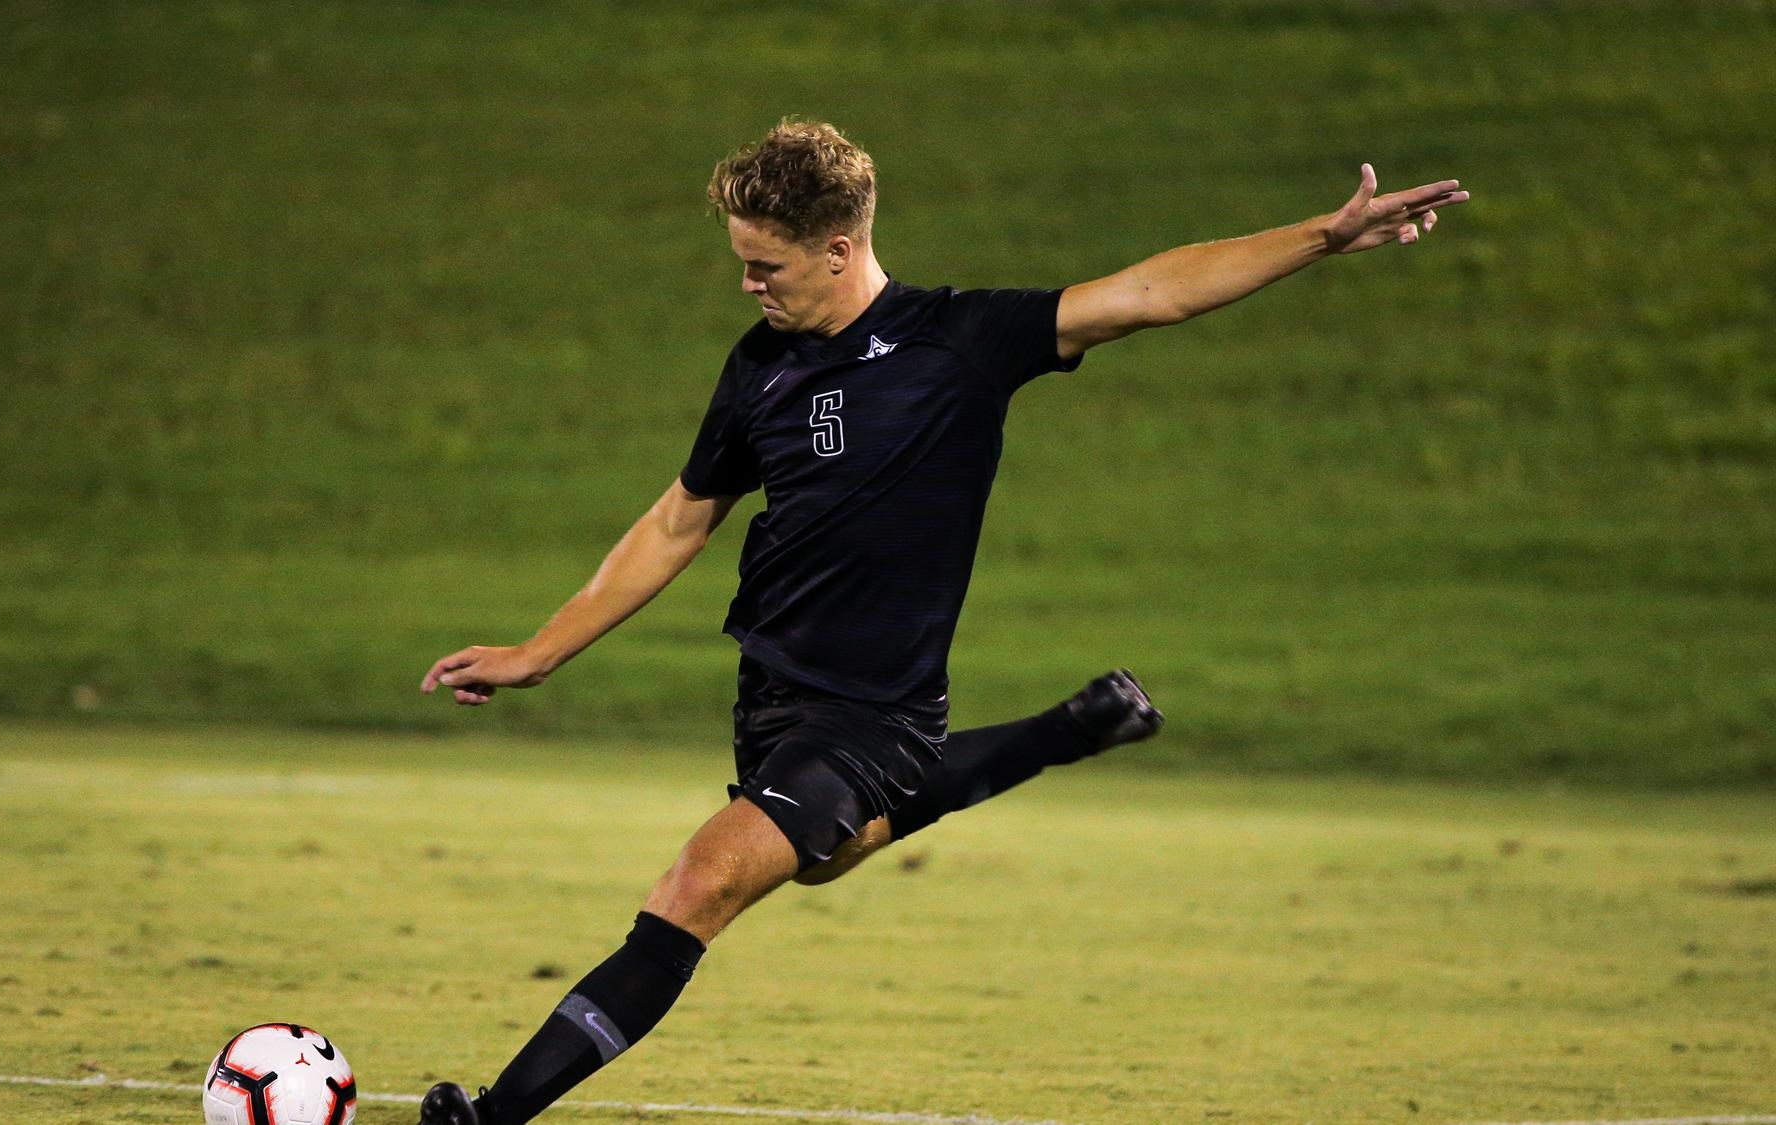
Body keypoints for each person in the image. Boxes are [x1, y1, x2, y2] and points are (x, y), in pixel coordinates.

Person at [415, 120, 1468, 1125]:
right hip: (770, 694)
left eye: (763, 265)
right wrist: (537, 653)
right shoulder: (759, 366)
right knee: (822, 859)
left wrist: (1320, 239)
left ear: (837, 250)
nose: (746, 284)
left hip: (873, 714)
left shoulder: (958, 341)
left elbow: (1149, 292)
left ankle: (495, 1111)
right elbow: (677, 519)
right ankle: (1062, 732)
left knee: (699, 882)